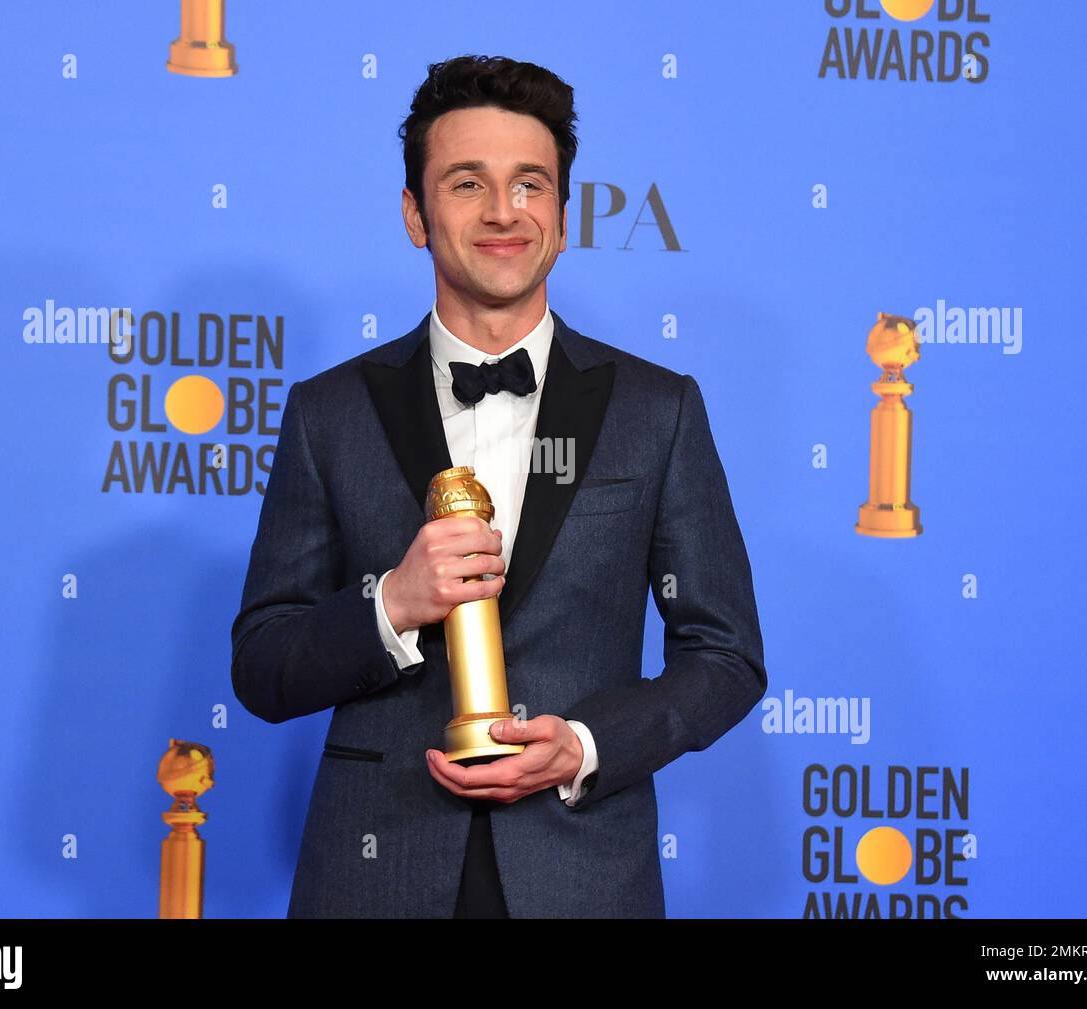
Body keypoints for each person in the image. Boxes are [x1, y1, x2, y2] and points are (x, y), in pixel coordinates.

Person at [230, 54, 766, 918]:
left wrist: (588, 745)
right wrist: (391, 604)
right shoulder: (328, 412)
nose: (502, 213)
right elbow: (262, 666)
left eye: (530, 185)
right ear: (415, 213)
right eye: (466, 183)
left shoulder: (658, 409)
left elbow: (727, 656)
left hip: (585, 874)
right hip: (377, 873)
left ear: (561, 214)